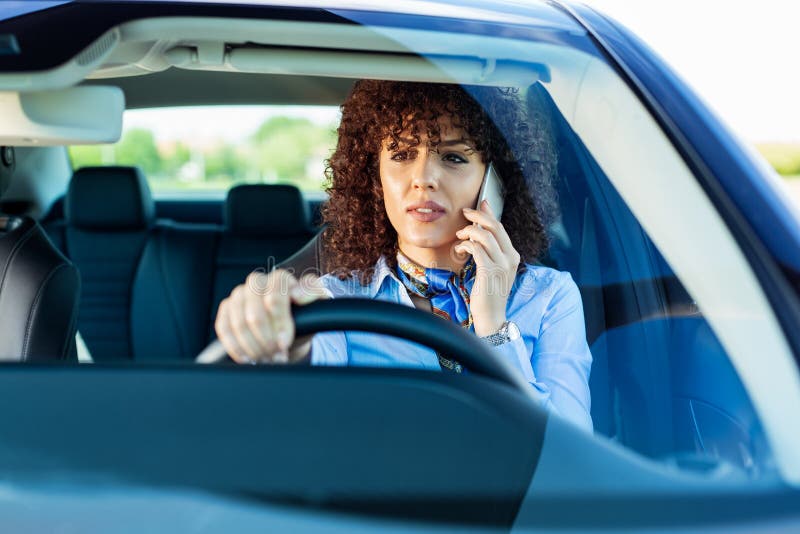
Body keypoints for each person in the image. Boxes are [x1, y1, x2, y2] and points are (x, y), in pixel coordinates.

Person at [214, 80, 593, 430]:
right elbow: (303, 375)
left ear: (496, 182)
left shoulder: (549, 297)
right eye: (402, 153)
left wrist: (493, 326)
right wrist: (273, 326)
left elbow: (573, 456)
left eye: (454, 158)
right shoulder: (339, 299)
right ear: (374, 178)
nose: (423, 177)